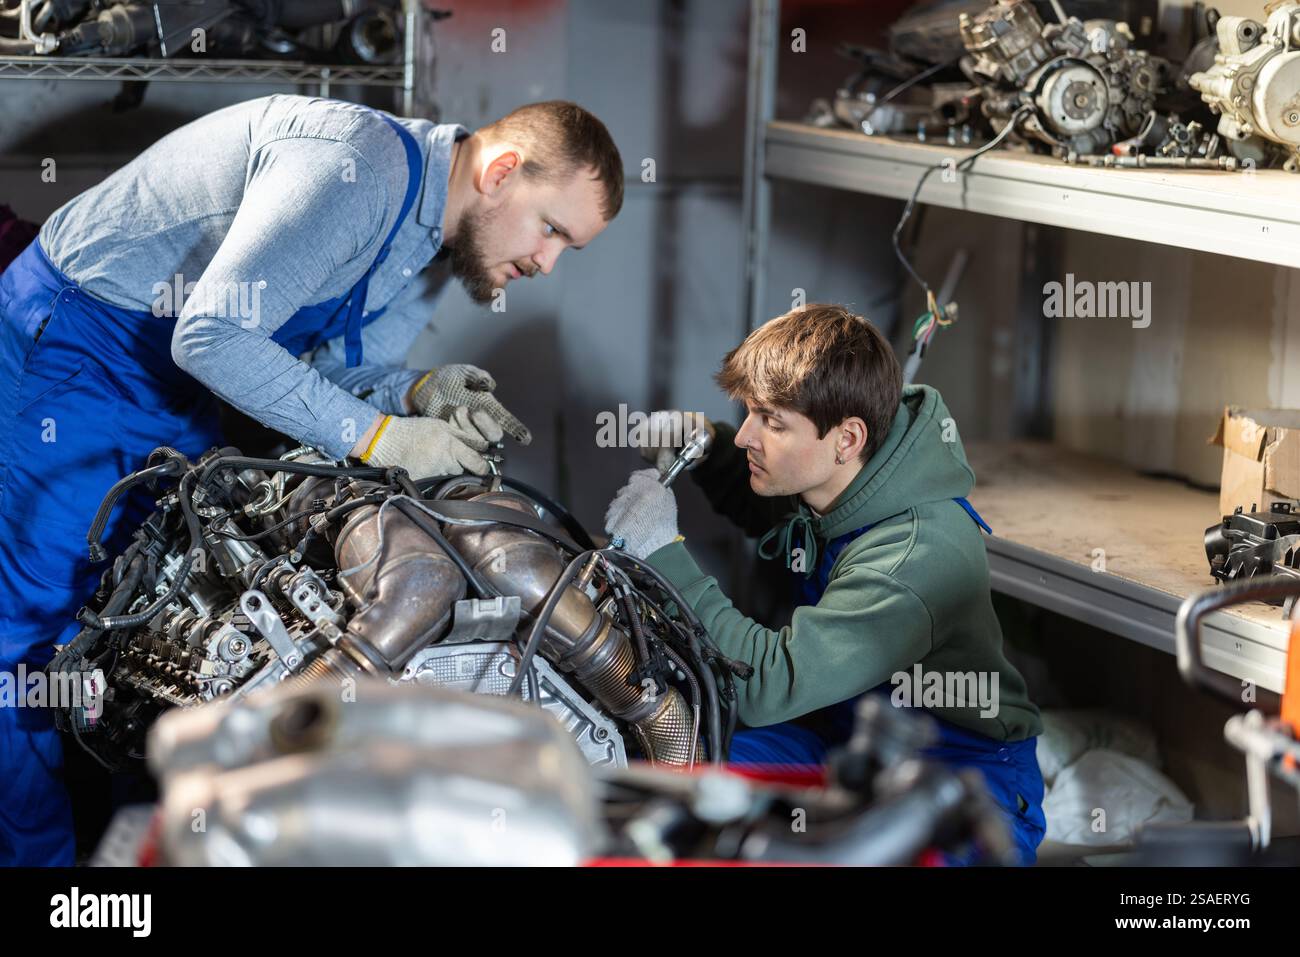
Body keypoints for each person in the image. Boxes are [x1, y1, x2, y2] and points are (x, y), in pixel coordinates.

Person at [0, 93, 623, 864]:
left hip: (183, 386)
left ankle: (141, 855)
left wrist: (414, 392)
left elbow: (323, 367)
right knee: (31, 649)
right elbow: (213, 333)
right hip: (81, 351)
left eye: (570, 248)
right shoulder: (353, 171)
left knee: (147, 624)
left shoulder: (432, 249)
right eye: (551, 228)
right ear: (499, 173)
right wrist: (384, 434)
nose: (545, 262)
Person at [604, 303, 1046, 864]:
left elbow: (766, 686)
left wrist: (663, 554)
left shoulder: (913, 557)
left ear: (847, 438)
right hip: (846, 734)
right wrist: (707, 447)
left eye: (772, 422)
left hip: (961, 773)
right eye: (747, 414)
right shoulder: (846, 476)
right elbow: (776, 513)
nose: (747, 436)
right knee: (684, 773)